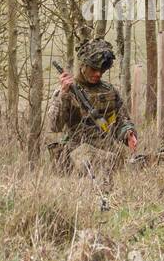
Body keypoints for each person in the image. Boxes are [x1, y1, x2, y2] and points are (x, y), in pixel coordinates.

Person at [46, 38, 137, 178]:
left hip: (107, 149)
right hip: (77, 152)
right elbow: (54, 126)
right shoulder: (66, 91)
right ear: (83, 66)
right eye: (93, 69)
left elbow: (121, 119)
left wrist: (128, 134)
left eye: (102, 70)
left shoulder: (109, 91)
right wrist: (64, 95)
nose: (98, 74)